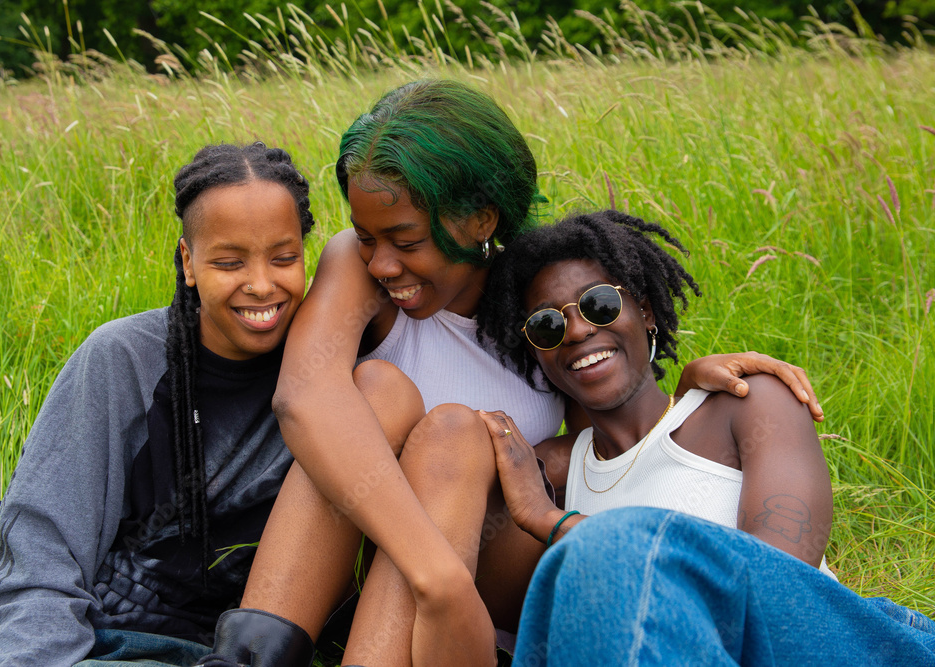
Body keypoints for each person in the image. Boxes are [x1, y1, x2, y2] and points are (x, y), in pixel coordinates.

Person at [210, 80, 825, 667]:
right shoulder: (361, 266)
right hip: (410, 567)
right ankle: (247, 657)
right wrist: (435, 571)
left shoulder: (540, 305)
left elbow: (609, 449)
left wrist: (684, 390)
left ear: (480, 219)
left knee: (455, 431)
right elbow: (305, 397)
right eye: (369, 237)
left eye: (404, 238)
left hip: (489, 573)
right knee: (379, 389)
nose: (384, 262)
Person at [0, 143, 421, 666]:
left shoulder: (331, 380)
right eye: (230, 261)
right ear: (189, 261)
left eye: (284, 258)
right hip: (106, 630)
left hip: (245, 649)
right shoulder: (122, 360)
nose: (262, 285)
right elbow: (40, 560)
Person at [474, 209, 935, 665]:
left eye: (600, 304)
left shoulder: (746, 403)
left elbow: (780, 589)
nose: (576, 330)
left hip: (829, 649)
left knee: (610, 548)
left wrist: (551, 522)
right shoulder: (550, 470)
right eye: (547, 326)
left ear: (646, 311)